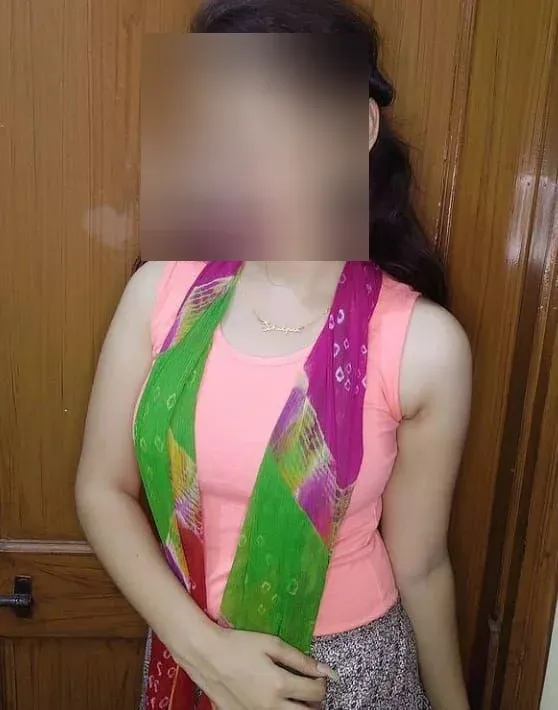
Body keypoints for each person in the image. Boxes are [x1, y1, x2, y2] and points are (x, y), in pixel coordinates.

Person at [75, 1, 472, 708]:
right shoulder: (159, 294)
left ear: (360, 127)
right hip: (187, 659)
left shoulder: (422, 346)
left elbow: (422, 562)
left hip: (348, 677)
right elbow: (101, 490)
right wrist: (207, 654)